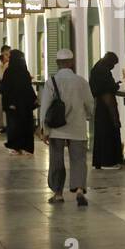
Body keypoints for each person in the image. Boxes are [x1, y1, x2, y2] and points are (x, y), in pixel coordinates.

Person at [39, 48, 96, 206]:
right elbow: (90, 103)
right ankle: (79, 190)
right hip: (77, 127)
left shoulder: (52, 82)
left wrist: (44, 128)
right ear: (71, 62)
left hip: (57, 128)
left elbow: (45, 107)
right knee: (79, 159)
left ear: (57, 63)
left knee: (56, 160)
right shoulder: (81, 81)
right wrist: (89, 116)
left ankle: (58, 193)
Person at [89, 52, 124, 170]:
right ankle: (108, 161)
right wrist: (115, 86)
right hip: (106, 106)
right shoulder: (103, 70)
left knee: (101, 133)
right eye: (113, 64)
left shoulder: (97, 68)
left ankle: (100, 161)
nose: (113, 66)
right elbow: (107, 88)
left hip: (100, 105)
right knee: (108, 132)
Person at [1, 49, 37, 156]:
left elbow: (6, 89)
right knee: (26, 125)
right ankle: (27, 147)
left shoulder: (9, 71)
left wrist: (8, 103)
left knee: (14, 126)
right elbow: (28, 88)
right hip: (25, 104)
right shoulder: (24, 71)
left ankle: (15, 147)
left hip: (13, 104)